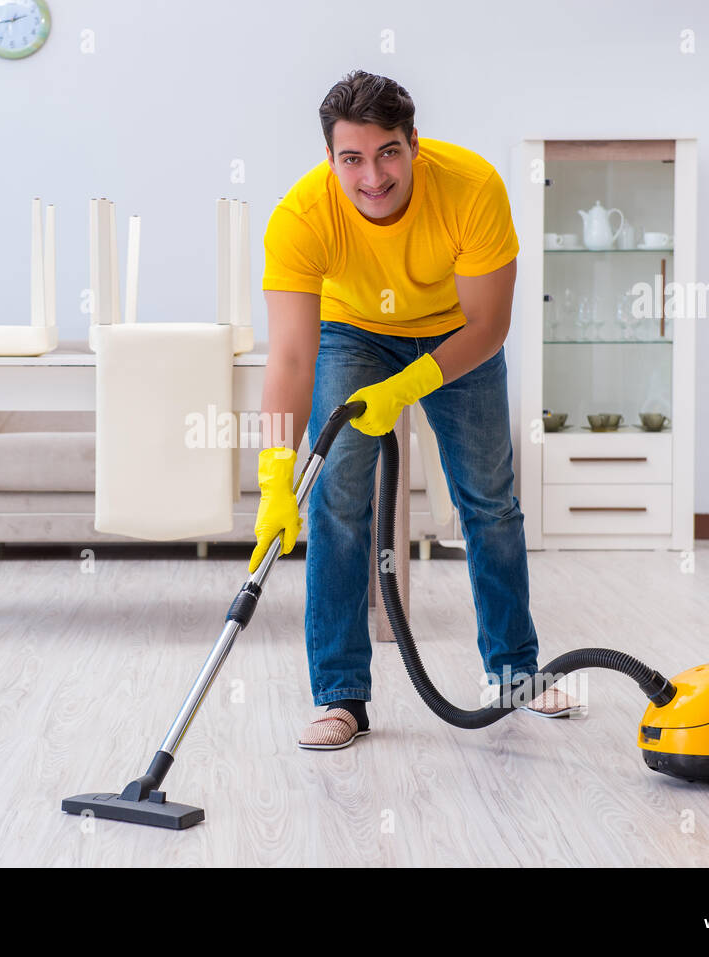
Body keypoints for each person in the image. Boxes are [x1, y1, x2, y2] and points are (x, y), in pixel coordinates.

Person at [251, 70, 580, 751]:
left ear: (414, 144)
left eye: (388, 153)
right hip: (354, 329)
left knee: (488, 497)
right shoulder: (301, 218)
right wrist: (274, 473)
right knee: (338, 498)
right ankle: (340, 694)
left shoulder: (472, 187)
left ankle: (515, 672)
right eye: (352, 158)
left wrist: (406, 387)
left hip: (459, 332)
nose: (372, 175)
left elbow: (489, 325)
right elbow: (287, 357)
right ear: (331, 159)